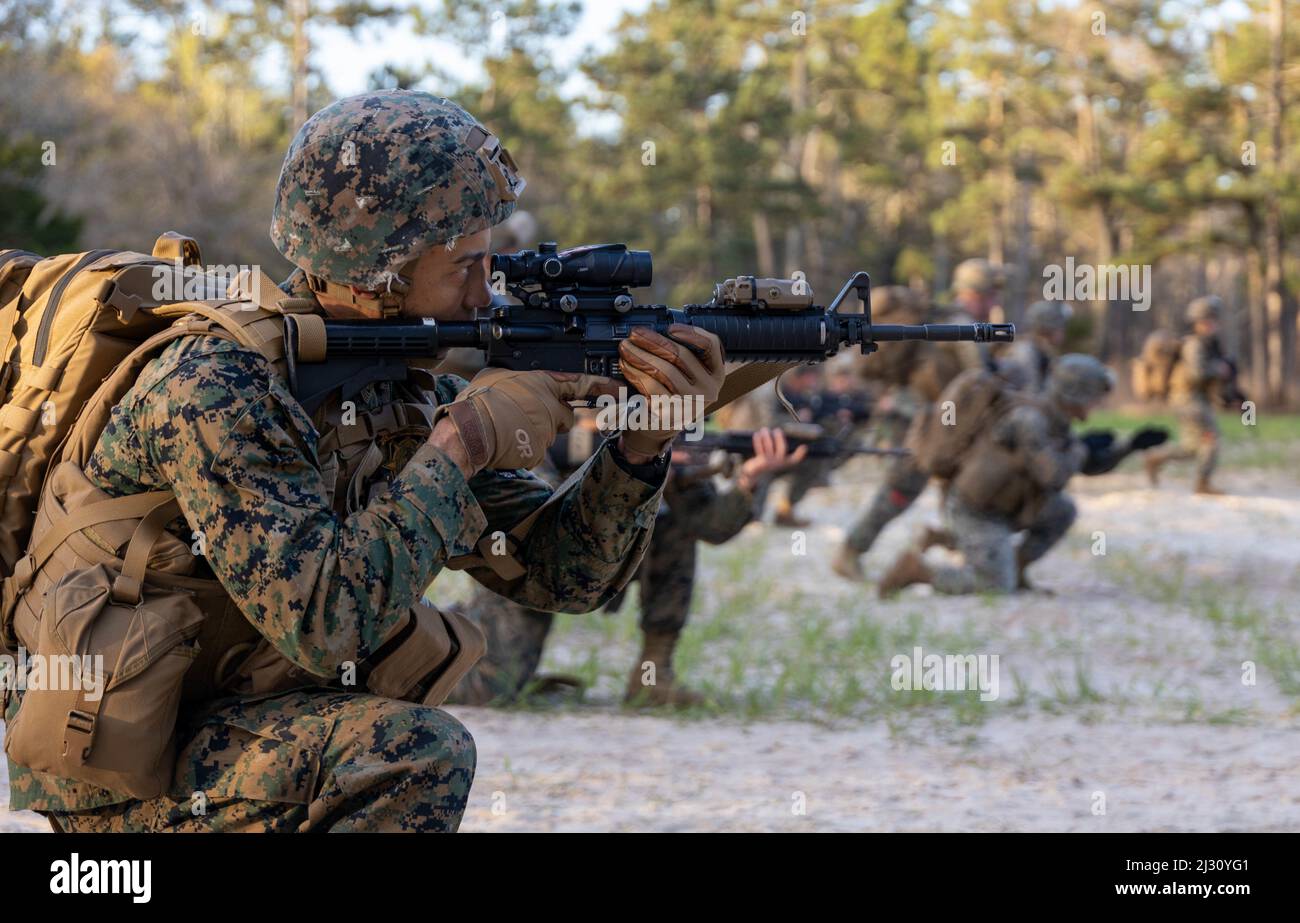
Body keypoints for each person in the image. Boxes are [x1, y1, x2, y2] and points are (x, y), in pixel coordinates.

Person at [5, 90, 725, 832]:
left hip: (232, 720)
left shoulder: (394, 392)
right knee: (410, 751)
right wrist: (462, 444)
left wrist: (642, 444)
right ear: (374, 276)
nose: (486, 294)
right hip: (124, 761)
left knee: (398, 742)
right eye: (464, 267)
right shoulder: (215, 388)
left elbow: (563, 572)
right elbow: (327, 626)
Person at [447, 427, 804, 708]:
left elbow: (711, 526)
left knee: (672, 523)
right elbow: (528, 515)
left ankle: (653, 675)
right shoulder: (548, 427)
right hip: (533, 563)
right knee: (489, 690)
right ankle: (438, 637)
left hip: (606, 555)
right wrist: (620, 471)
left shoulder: (665, 430)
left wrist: (748, 479)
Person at [876, 354, 1113, 597]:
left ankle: (1014, 569)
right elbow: (1053, 477)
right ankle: (918, 571)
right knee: (994, 586)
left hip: (1004, 505)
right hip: (975, 511)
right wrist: (1080, 451)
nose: (1098, 403)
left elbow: (1069, 469)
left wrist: (1125, 449)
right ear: (1075, 395)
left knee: (1062, 511)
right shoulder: (1029, 421)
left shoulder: (1053, 422)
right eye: (1095, 396)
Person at [830, 286, 980, 582]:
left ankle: (953, 542)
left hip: (932, 415)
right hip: (920, 416)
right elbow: (976, 375)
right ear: (977, 292)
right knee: (903, 486)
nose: (996, 300)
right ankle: (851, 549)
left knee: (958, 483)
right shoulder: (956, 323)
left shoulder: (945, 319)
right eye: (992, 294)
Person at [1142, 296, 1233, 495]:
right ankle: (1203, 483)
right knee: (1210, 438)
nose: (1216, 324)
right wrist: (1219, 369)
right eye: (1212, 319)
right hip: (1188, 399)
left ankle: (1155, 458)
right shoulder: (1195, 345)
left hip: (1189, 399)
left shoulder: (1204, 344)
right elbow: (1196, 373)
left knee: (1192, 447)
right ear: (1203, 321)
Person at [998, 300, 1071, 393]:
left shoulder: (1042, 351)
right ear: (1047, 328)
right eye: (1061, 327)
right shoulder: (1025, 352)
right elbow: (1030, 393)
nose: (1063, 331)